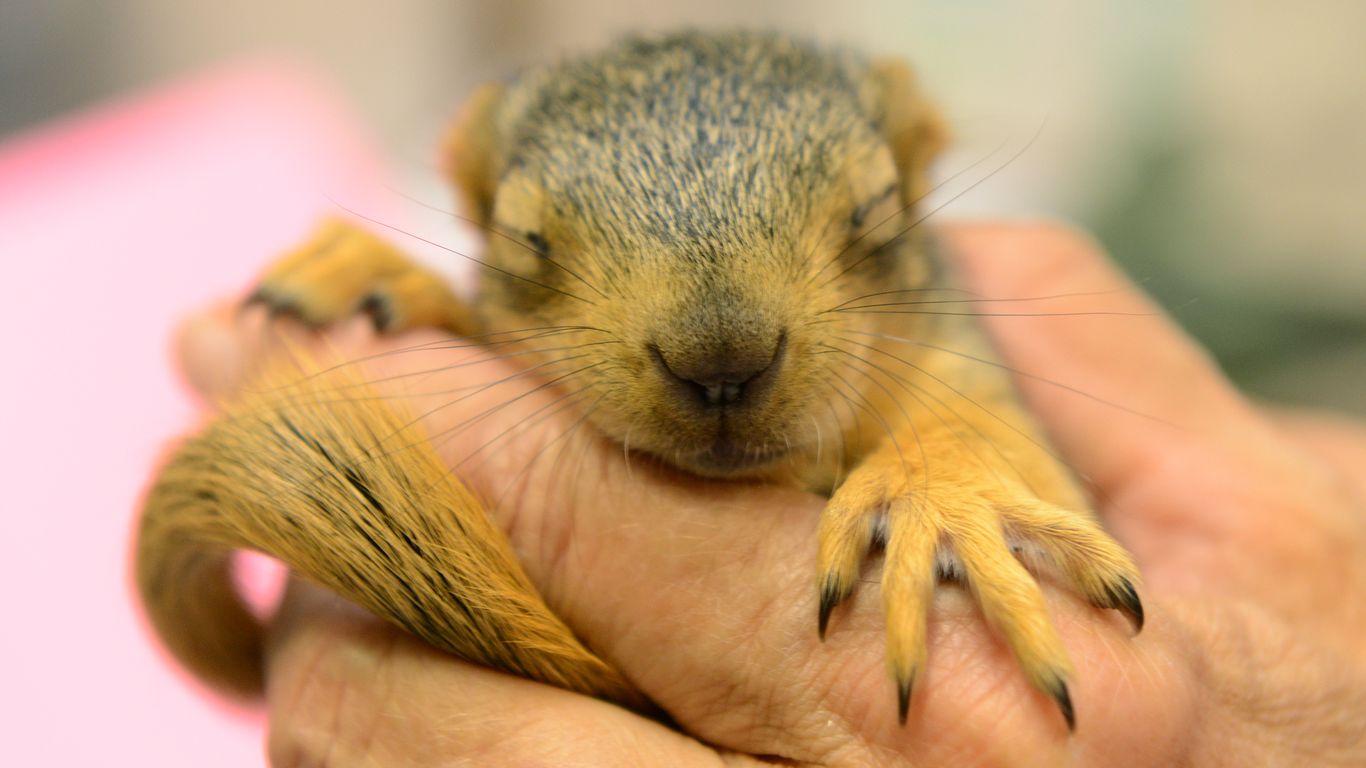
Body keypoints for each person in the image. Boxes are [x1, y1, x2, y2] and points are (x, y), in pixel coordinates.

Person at [179, 222, 1366, 766]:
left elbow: (1015, 450)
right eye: (542, 244)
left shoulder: (946, 345)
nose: (721, 353)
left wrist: (943, 467)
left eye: (852, 227)